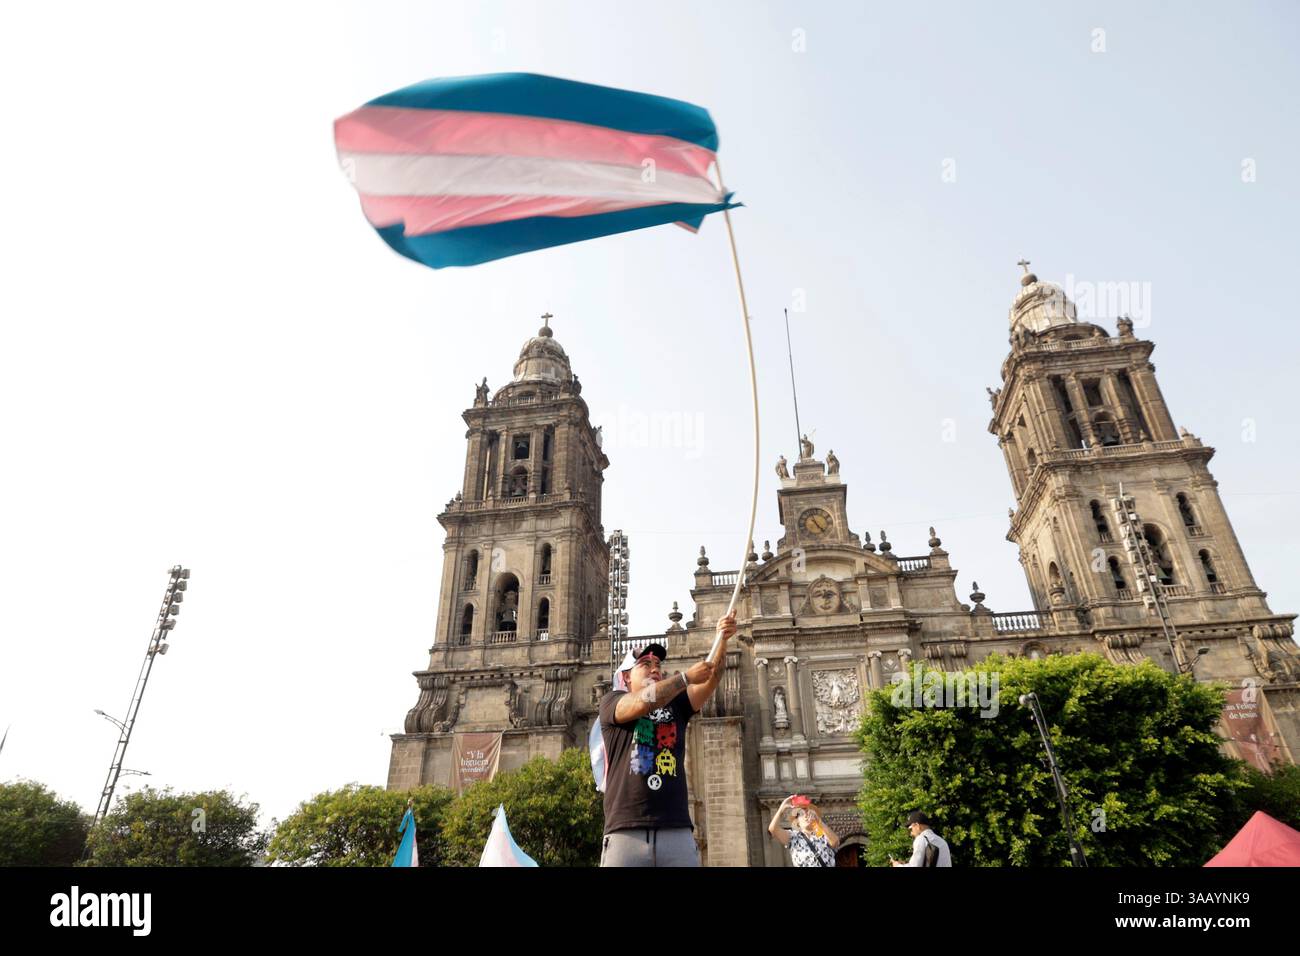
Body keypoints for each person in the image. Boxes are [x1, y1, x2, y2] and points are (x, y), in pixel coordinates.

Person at [597, 610, 737, 866]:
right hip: (626, 831)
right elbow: (643, 701)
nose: (654, 669)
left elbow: (712, 678)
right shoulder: (612, 702)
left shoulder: (677, 705)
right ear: (626, 677)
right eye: (645, 665)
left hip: (677, 829)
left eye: (658, 665)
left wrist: (722, 640)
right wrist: (684, 678)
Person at [768, 794, 839, 867]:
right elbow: (773, 829)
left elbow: (835, 842)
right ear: (797, 822)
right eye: (801, 814)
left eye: (808, 812)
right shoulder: (793, 837)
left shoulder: (821, 833)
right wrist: (781, 808)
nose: (806, 815)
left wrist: (818, 821)